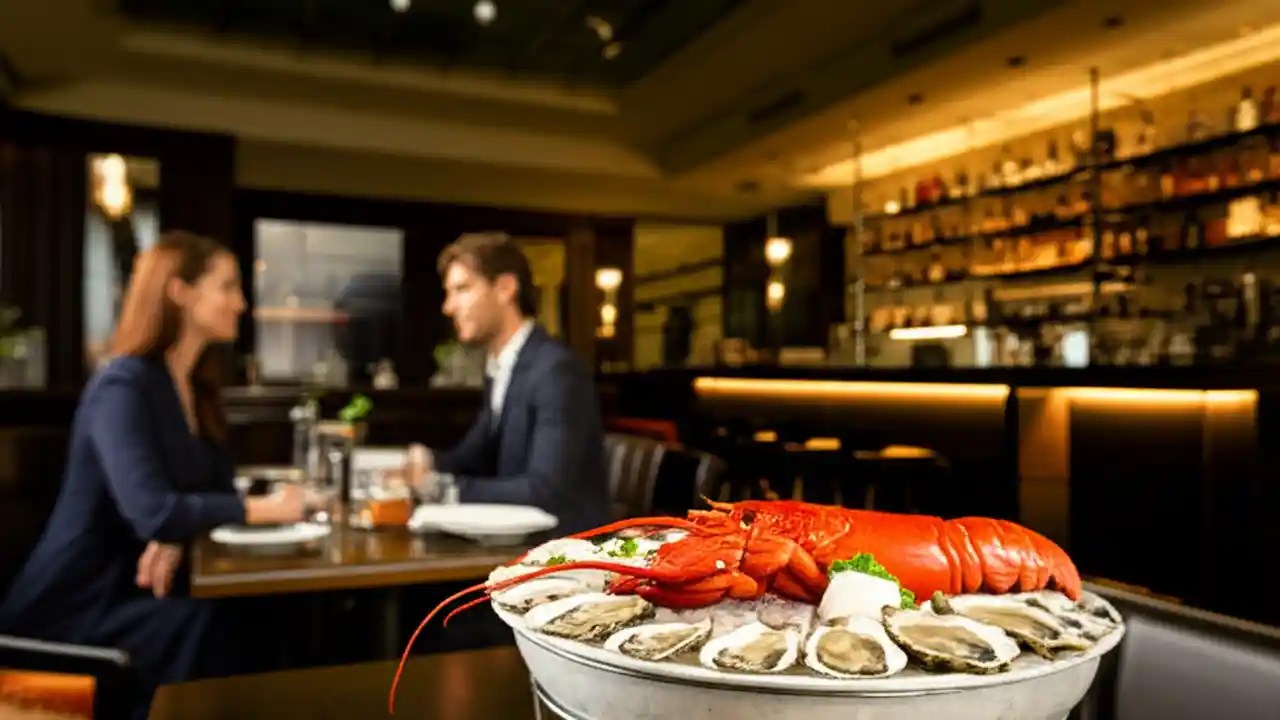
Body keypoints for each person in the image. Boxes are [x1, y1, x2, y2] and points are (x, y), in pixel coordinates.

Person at [0, 231, 305, 719]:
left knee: (260, 617)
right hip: (70, 616)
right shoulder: (121, 385)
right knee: (223, 628)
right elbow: (154, 510)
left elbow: (200, 496)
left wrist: (178, 536)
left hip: (136, 593)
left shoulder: (191, 386)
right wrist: (261, 509)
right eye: (227, 287)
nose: (241, 303)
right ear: (179, 291)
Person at [408, 232, 609, 536]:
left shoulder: (555, 369)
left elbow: (544, 489)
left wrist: (443, 488)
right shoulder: (503, 364)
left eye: (462, 289)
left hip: (563, 555)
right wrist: (430, 461)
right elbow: (475, 452)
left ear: (505, 288)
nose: (448, 307)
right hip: (514, 543)